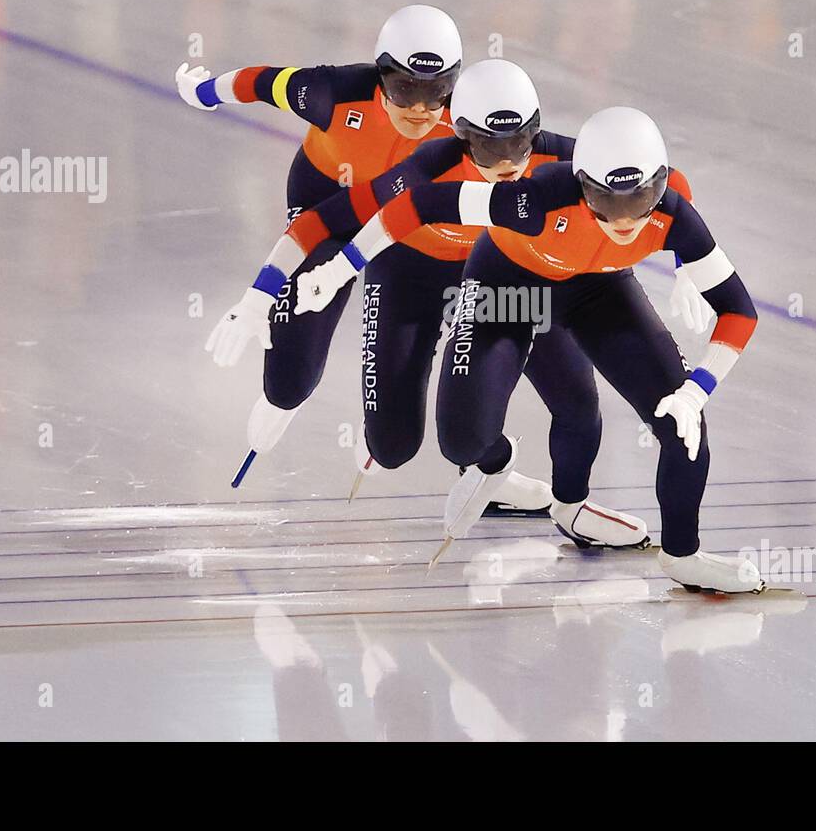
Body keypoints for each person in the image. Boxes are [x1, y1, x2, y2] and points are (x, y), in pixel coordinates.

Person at [207, 61, 710, 543]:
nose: (510, 162)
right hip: (410, 274)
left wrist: (688, 261)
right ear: (462, 138)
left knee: (577, 402)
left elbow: (664, 181)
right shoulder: (426, 168)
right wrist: (261, 293)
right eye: (490, 151)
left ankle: (566, 504)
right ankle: (490, 459)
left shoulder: (564, 161)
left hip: (506, 280)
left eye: (521, 143)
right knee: (392, 445)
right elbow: (326, 221)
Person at [294, 107, 765, 593]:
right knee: (463, 442)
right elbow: (413, 207)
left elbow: (739, 312)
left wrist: (696, 390)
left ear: (661, 185)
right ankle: (496, 464)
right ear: (581, 184)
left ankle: (674, 550)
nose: (624, 220)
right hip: (509, 289)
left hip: (598, 290)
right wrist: (335, 271)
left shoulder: (675, 216)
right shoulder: (532, 200)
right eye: (605, 202)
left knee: (679, 424)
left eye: (640, 200)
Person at [174, 5, 461, 471]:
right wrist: (204, 92)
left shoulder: (468, 119)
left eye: (436, 93)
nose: (420, 110)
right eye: (405, 88)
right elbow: (260, 82)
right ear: (380, 76)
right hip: (331, 200)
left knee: (395, 424)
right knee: (291, 369)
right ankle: (284, 398)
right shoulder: (332, 92)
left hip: (406, 219)